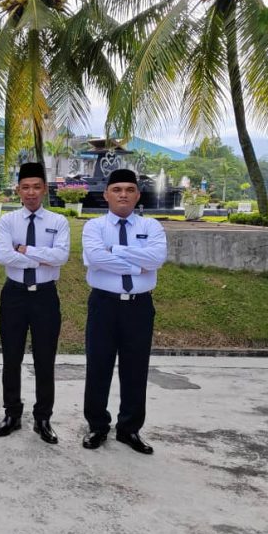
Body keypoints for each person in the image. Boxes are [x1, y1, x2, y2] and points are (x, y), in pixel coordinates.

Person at [82, 168, 167, 454]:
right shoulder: (94, 227)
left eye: (129, 190)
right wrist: (136, 264)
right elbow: (94, 257)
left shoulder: (151, 226)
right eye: (117, 189)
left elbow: (157, 258)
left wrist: (114, 251)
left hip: (139, 308)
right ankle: (97, 426)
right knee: (98, 366)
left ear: (137, 195)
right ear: (106, 194)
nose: (123, 194)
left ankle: (129, 429)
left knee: (135, 368)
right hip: (104, 304)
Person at [0, 162, 70, 444]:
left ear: (45, 189)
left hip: (45, 296)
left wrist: (24, 249)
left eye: (36, 187)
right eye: (25, 187)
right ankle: (12, 413)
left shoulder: (57, 222)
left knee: (44, 359)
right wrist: (43, 255)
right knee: (11, 358)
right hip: (14, 294)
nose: (31, 192)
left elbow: (61, 257)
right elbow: (4, 257)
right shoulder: (7, 221)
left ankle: (43, 418)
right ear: (18, 190)